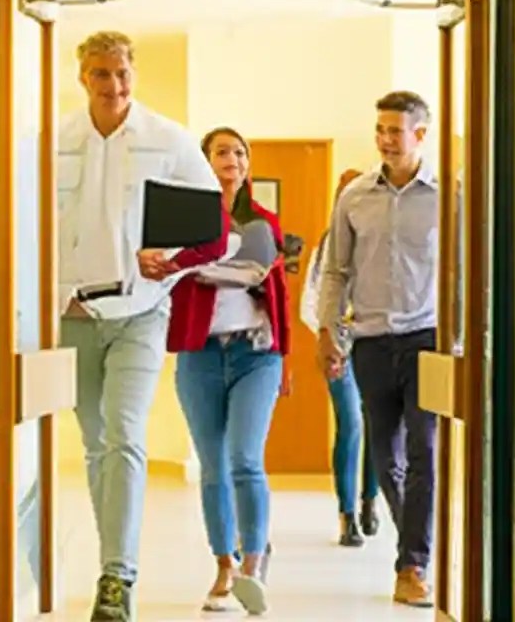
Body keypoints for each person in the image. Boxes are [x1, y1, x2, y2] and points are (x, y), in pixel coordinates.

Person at [56, 30, 220, 622]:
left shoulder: (168, 139)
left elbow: (212, 229)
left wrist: (170, 263)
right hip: (72, 314)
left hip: (141, 312)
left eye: (123, 73)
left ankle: (116, 577)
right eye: (102, 74)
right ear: (84, 78)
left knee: (125, 436)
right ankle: (112, 563)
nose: (115, 86)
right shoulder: (54, 141)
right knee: (96, 444)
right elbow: (20, 223)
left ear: (133, 73)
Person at [315, 91, 440, 608]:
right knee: (384, 454)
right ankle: (416, 532)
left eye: (397, 130)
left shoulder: (445, 197)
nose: (387, 139)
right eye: (381, 130)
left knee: (424, 450)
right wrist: (327, 331)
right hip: (368, 340)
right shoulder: (354, 197)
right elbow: (335, 270)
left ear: (420, 134)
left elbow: (464, 269)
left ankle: (412, 563)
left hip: (428, 338)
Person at [168, 127, 292, 616]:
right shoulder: (186, 222)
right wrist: (205, 266)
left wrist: (202, 268)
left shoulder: (263, 221)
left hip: (256, 354)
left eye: (240, 152)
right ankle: (224, 564)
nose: (233, 159)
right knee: (213, 466)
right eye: (222, 152)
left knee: (245, 458)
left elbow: (262, 278)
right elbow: (173, 273)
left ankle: (253, 564)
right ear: (204, 162)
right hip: (199, 354)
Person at [300, 168, 381, 547]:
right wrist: (330, 334)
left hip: (374, 344)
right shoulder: (326, 246)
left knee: (378, 426)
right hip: (339, 348)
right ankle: (346, 513)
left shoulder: (378, 238)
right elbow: (310, 301)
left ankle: (370, 500)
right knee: (351, 424)